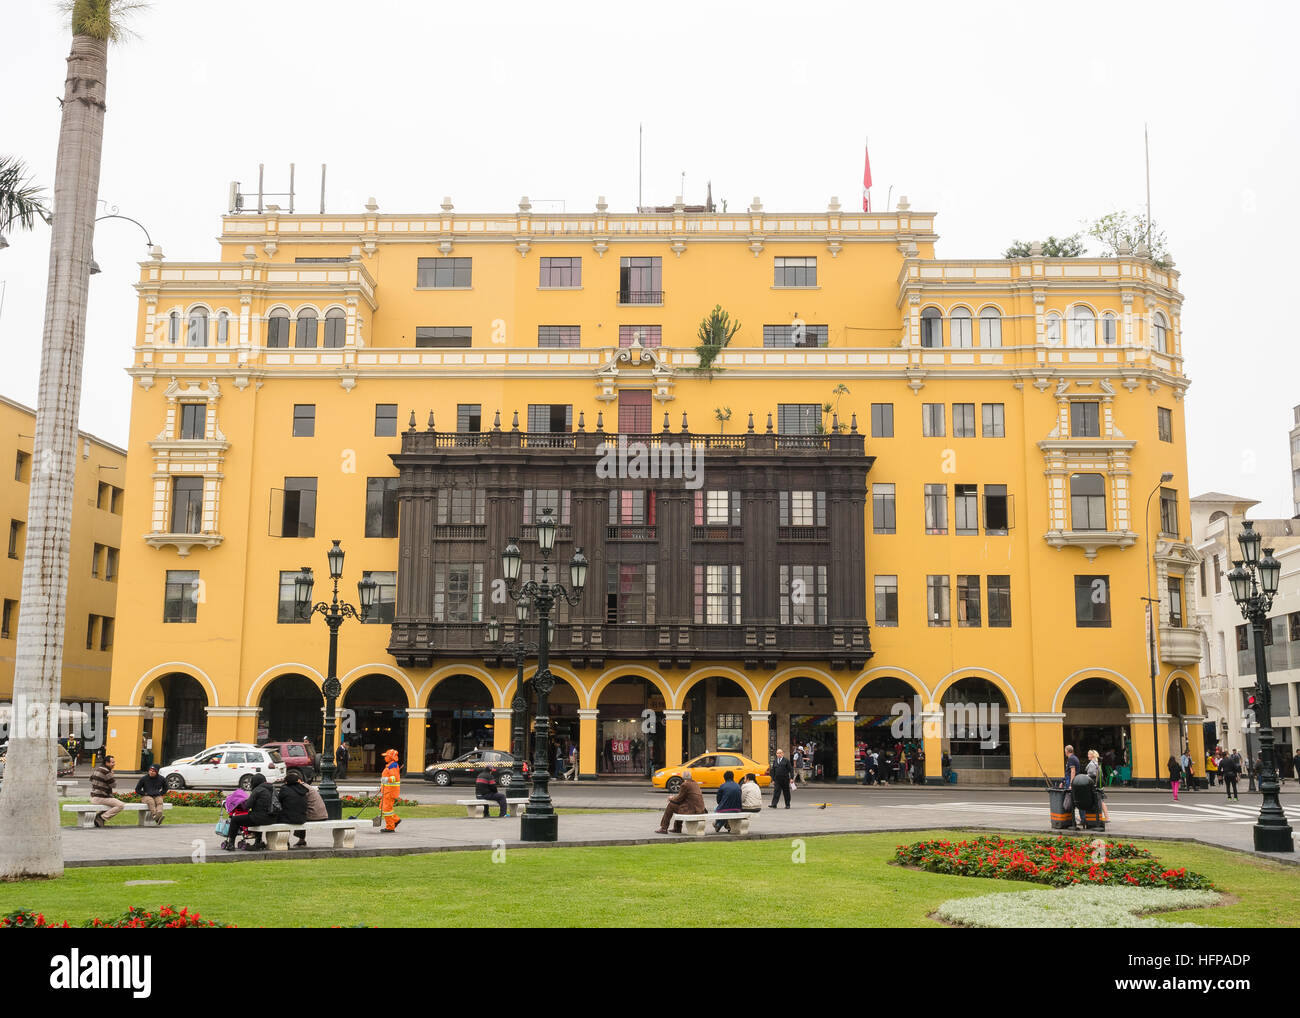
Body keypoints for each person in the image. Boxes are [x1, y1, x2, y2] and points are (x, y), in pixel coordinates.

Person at [223, 773, 274, 850]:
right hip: (273, 818)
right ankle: (258, 841)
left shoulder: (257, 790)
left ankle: (231, 843)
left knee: (235, 820)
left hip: (260, 818)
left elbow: (247, 806)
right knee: (257, 818)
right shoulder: (273, 789)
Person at [656, 770, 705, 834]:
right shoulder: (695, 783)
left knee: (671, 805)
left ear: (683, 777)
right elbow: (683, 798)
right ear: (691, 777)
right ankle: (677, 828)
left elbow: (679, 799)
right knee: (680, 806)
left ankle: (664, 828)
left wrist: (671, 798)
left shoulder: (685, 784)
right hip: (700, 809)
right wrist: (675, 798)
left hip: (692, 810)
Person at [89, 755, 125, 828]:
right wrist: (112, 775)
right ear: (107, 763)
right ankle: (102, 818)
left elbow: (91, 779)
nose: (114, 764)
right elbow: (114, 785)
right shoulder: (107, 772)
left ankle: (99, 816)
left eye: (114, 762)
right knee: (120, 805)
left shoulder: (97, 769)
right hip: (101, 798)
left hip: (94, 797)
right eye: (112, 762)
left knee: (112, 804)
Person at [294, 779, 329, 847]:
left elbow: (300, 802)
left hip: (315, 814)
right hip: (321, 814)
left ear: (298, 780)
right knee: (299, 815)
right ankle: (301, 840)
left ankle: (299, 840)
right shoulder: (306, 786)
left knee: (296, 817)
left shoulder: (302, 788)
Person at [279, 771, 310, 845]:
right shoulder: (303, 789)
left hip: (288, 819)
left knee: (279, 817)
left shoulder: (285, 789)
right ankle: (301, 839)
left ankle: (285, 841)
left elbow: (279, 802)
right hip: (302, 818)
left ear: (287, 782)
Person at [379, 748, 402, 832]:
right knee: (384, 807)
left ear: (390, 757)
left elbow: (394, 778)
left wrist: (385, 780)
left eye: (386, 756)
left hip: (390, 792)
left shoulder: (393, 766)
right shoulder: (391, 765)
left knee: (386, 809)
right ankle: (395, 820)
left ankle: (390, 827)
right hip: (387, 791)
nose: (385, 758)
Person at [1086, 749, 1108, 821]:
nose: (1088, 755)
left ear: (1092, 756)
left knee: (1097, 801)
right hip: (1099, 784)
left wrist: (1085, 777)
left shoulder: (1092, 764)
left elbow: (1091, 775)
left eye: (1089, 754)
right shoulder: (1097, 763)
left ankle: (1085, 818)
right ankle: (1106, 817)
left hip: (1094, 785)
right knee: (1101, 801)